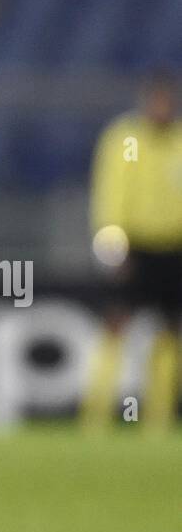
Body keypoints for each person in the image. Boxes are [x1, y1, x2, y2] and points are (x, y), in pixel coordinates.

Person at [85, 70, 182, 431]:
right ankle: (96, 414)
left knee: (170, 330)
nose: (161, 107)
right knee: (116, 325)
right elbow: (110, 192)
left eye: (167, 100)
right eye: (156, 100)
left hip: (174, 248)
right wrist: (112, 242)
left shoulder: (180, 142)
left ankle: (158, 417)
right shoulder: (124, 140)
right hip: (135, 247)